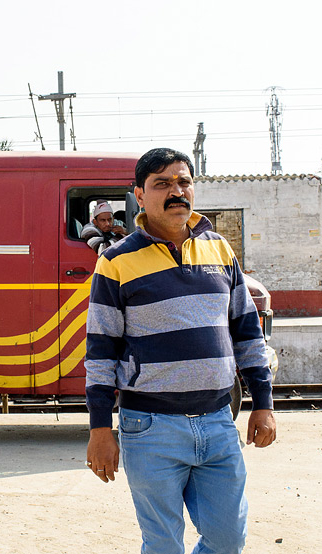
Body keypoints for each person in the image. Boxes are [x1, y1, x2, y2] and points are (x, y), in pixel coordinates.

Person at [84, 148, 276, 553]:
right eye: (162, 184)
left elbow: (247, 332)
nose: (176, 192)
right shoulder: (116, 261)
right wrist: (99, 428)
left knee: (228, 540)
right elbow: (101, 351)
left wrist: (263, 403)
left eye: (183, 182)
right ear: (139, 195)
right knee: (163, 545)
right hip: (149, 428)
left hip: (218, 423)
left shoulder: (220, 249)